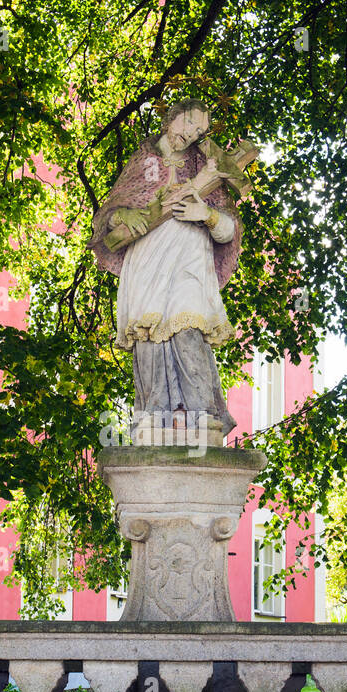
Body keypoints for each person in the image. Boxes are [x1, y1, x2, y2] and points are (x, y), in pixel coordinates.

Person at [88, 99, 244, 438]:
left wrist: (210, 216)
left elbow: (231, 230)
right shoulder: (144, 161)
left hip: (190, 259)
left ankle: (204, 418)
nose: (190, 134)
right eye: (188, 123)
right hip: (147, 262)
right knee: (149, 337)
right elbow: (107, 215)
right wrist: (121, 216)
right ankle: (153, 421)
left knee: (188, 331)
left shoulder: (207, 166)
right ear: (171, 118)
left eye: (199, 131)